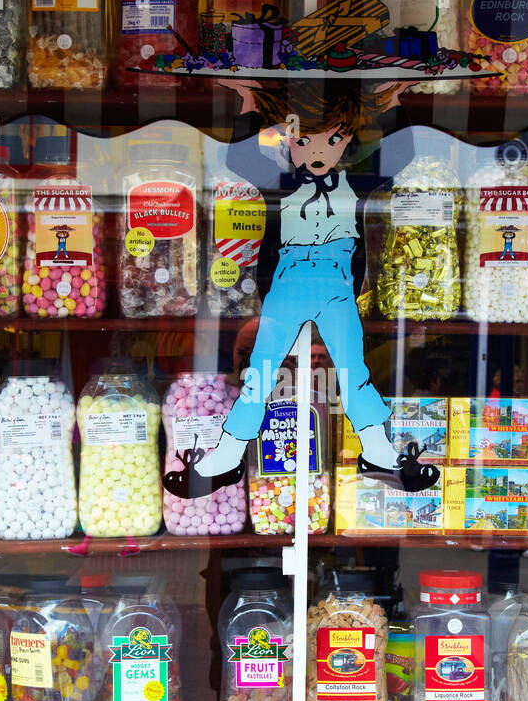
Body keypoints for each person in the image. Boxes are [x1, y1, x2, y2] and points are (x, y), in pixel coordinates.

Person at [164, 80, 439, 498]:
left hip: (336, 284)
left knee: (353, 372)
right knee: (259, 374)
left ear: (345, 141)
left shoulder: (354, 184)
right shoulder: (278, 182)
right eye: (304, 140)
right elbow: (241, 158)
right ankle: (224, 461)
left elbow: (399, 156)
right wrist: (250, 101)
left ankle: (380, 456)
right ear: (289, 139)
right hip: (290, 281)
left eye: (332, 140)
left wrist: (393, 102)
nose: (317, 152)